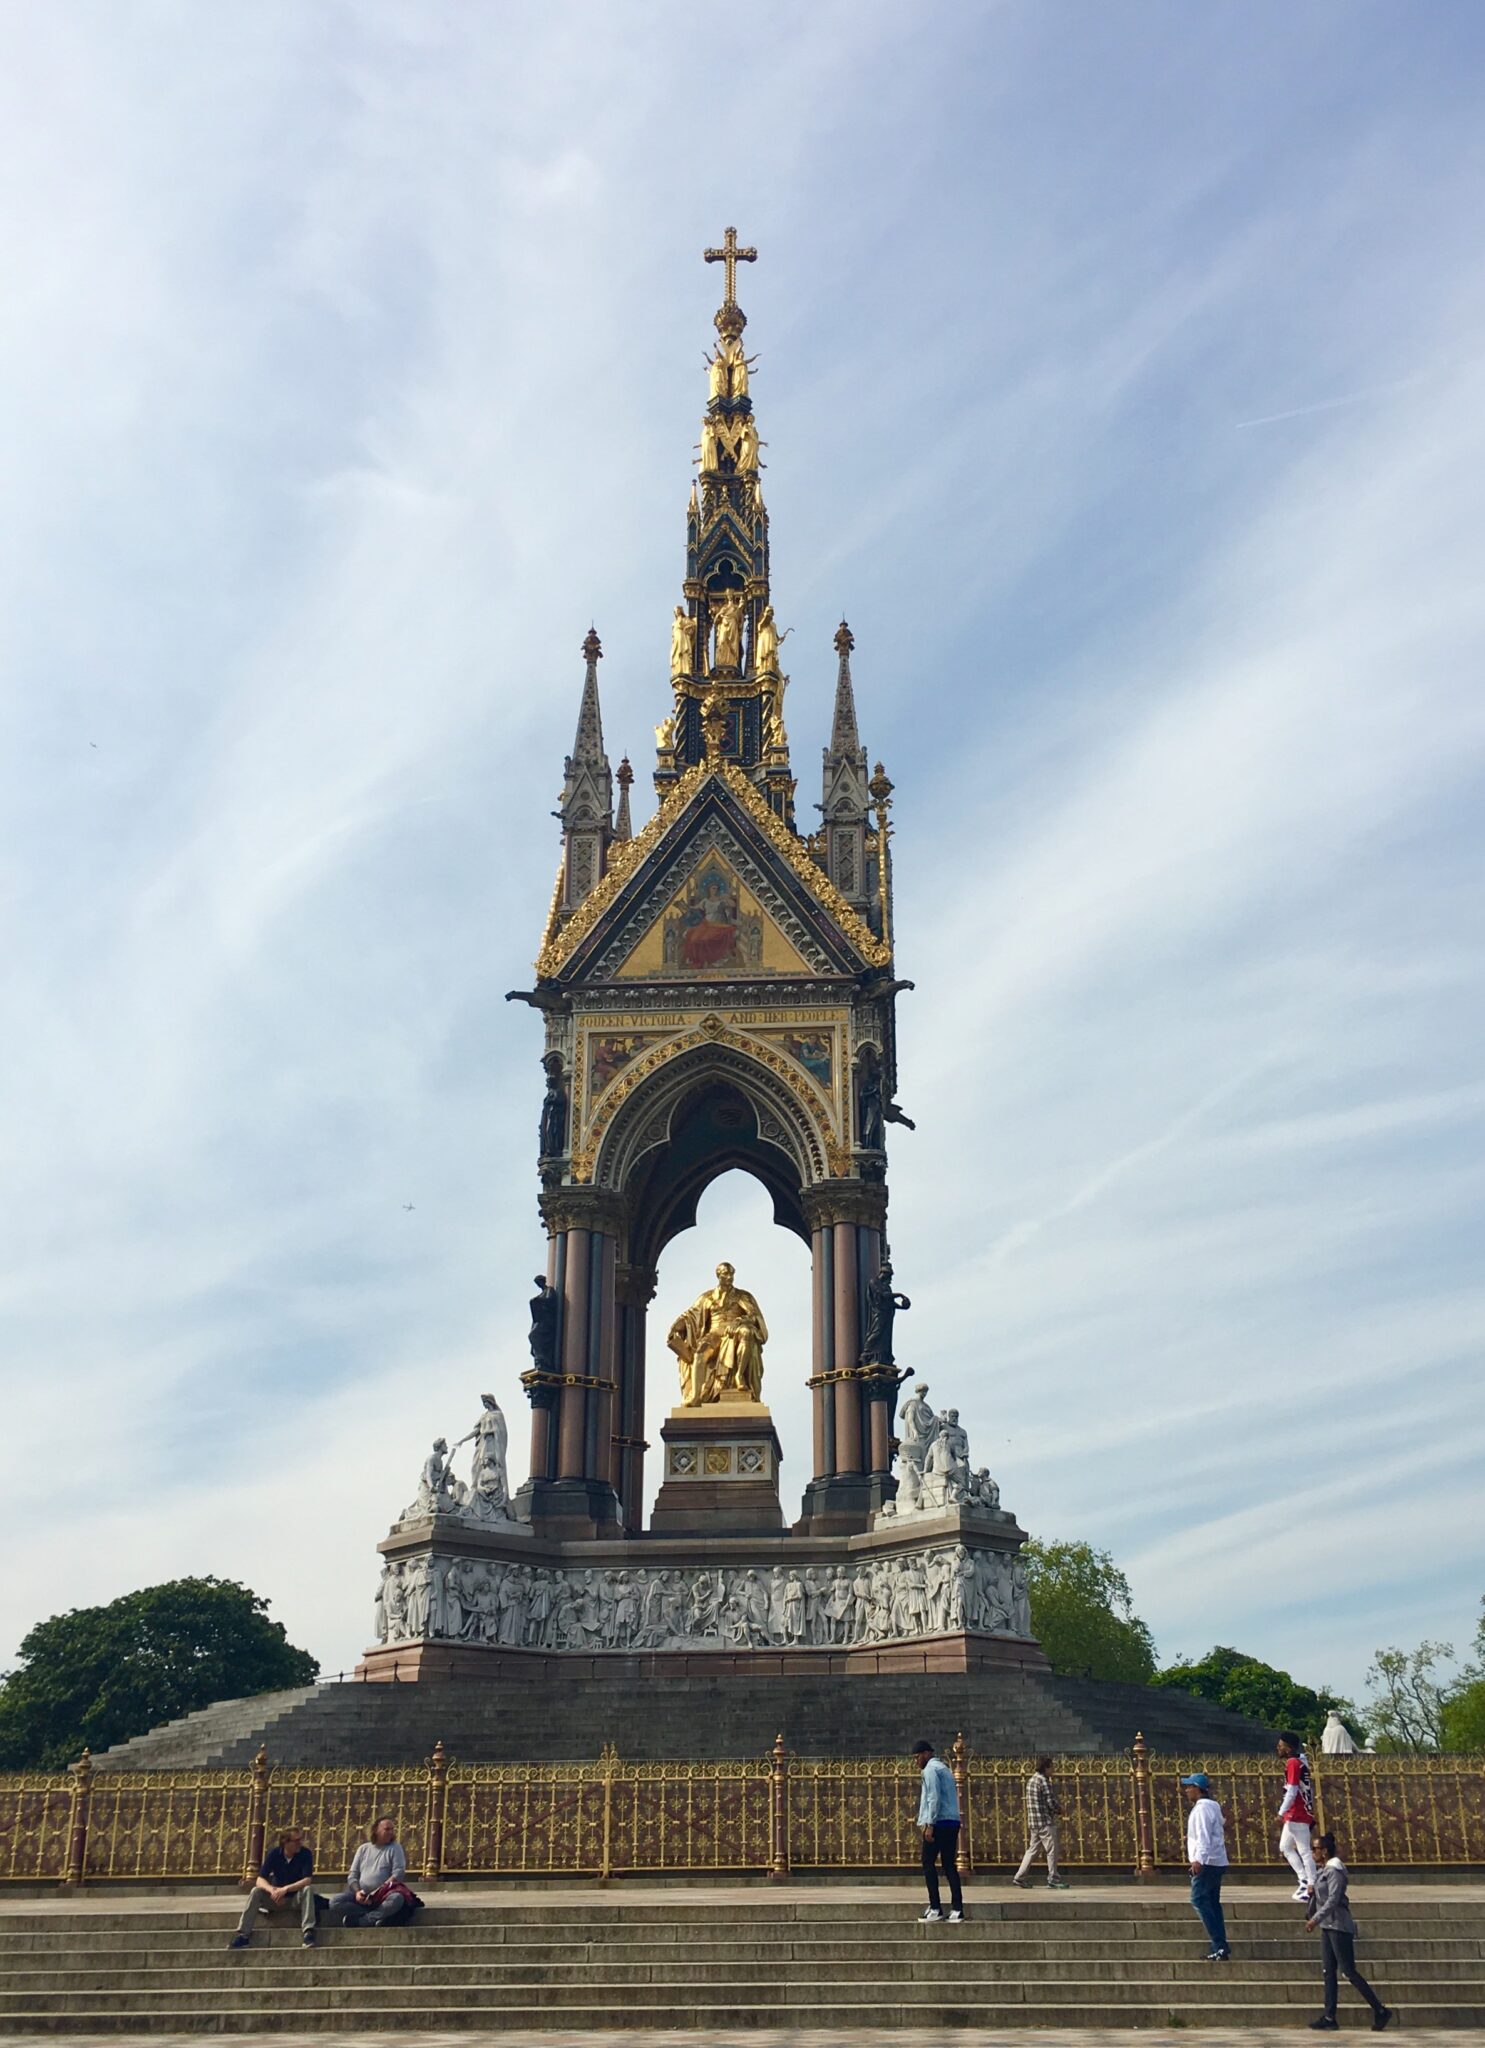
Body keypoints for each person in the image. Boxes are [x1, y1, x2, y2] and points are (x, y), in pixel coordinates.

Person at [1306, 1830, 1392, 2030]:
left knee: (1348, 1971)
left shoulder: (1335, 1871)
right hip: (1328, 1926)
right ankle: (1329, 2017)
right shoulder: (1322, 1870)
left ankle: (1380, 2010)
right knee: (1328, 1971)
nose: (1312, 1853)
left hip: (1339, 1926)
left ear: (1325, 1851)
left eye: (1315, 1849)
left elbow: (1334, 1900)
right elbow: (1319, 1898)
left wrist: (1315, 1920)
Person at [229, 1826, 319, 1948]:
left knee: (308, 1890)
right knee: (256, 1891)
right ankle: (243, 1935)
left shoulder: (305, 1853)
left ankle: (308, 1932)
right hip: (276, 1899)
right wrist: (272, 1890)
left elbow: (307, 1880)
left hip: (294, 1898)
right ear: (285, 1842)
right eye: (296, 1841)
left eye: (300, 1840)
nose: (300, 1843)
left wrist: (285, 1889)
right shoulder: (274, 1854)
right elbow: (260, 1879)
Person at [328, 1816, 417, 1927]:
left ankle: (362, 1921)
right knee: (335, 1902)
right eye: (387, 1829)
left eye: (392, 1829)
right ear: (376, 1830)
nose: (390, 1832)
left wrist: (377, 1892)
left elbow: (398, 1873)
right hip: (363, 1895)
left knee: (397, 1899)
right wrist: (357, 1892)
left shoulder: (395, 1848)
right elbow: (353, 1875)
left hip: (383, 1895)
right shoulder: (363, 1849)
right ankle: (374, 1916)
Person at [912, 1739, 963, 1923]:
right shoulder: (944, 1768)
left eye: (917, 1757)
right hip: (952, 1821)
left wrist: (930, 1824)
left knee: (927, 1863)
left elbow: (933, 1798)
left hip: (939, 1822)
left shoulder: (930, 1770)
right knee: (949, 1865)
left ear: (926, 1754)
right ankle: (957, 1908)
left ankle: (935, 1907)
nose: (916, 1761)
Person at [1182, 1772, 1230, 1961]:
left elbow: (1203, 1836)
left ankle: (1219, 1944)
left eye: (1189, 1786)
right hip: (1216, 1860)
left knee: (1199, 1900)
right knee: (1212, 1903)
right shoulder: (1213, 1806)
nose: (1187, 1790)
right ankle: (1220, 1945)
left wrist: (1198, 1859)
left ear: (1198, 1789)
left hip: (1207, 1862)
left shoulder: (1201, 1809)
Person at [1012, 1756, 1069, 1889]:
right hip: (1044, 1821)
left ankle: (1019, 1877)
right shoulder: (1044, 1781)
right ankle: (1053, 1878)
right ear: (1046, 1767)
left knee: (1032, 1850)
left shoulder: (1031, 1780)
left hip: (1034, 1821)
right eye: (1052, 1767)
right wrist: (1060, 1810)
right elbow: (1051, 1802)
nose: (1053, 1770)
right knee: (1052, 1850)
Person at [1277, 1731, 1319, 1902]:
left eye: (1280, 1745)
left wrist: (1281, 1811)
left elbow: (1292, 1790)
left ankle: (1312, 1884)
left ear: (1288, 1748)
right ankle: (1303, 1879)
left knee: (1304, 1851)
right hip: (1297, 1812)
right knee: (1285, 1847)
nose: (1277, 1748)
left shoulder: (1293, 1763)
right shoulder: (1299, 1761)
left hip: (1297, 1812)